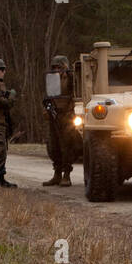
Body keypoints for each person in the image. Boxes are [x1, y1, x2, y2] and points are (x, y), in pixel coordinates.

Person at [42, 54, 77, 186]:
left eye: (59, 66)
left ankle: (66, 175)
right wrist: (47, 110)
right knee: (54, 144)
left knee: (67, 145)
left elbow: (76, 95)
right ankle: (57, 174)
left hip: (68, 115)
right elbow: (48, 96)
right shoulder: (52, 79)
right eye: (54, 67)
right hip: (54, 115)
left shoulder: (71, 78)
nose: (56, 69)